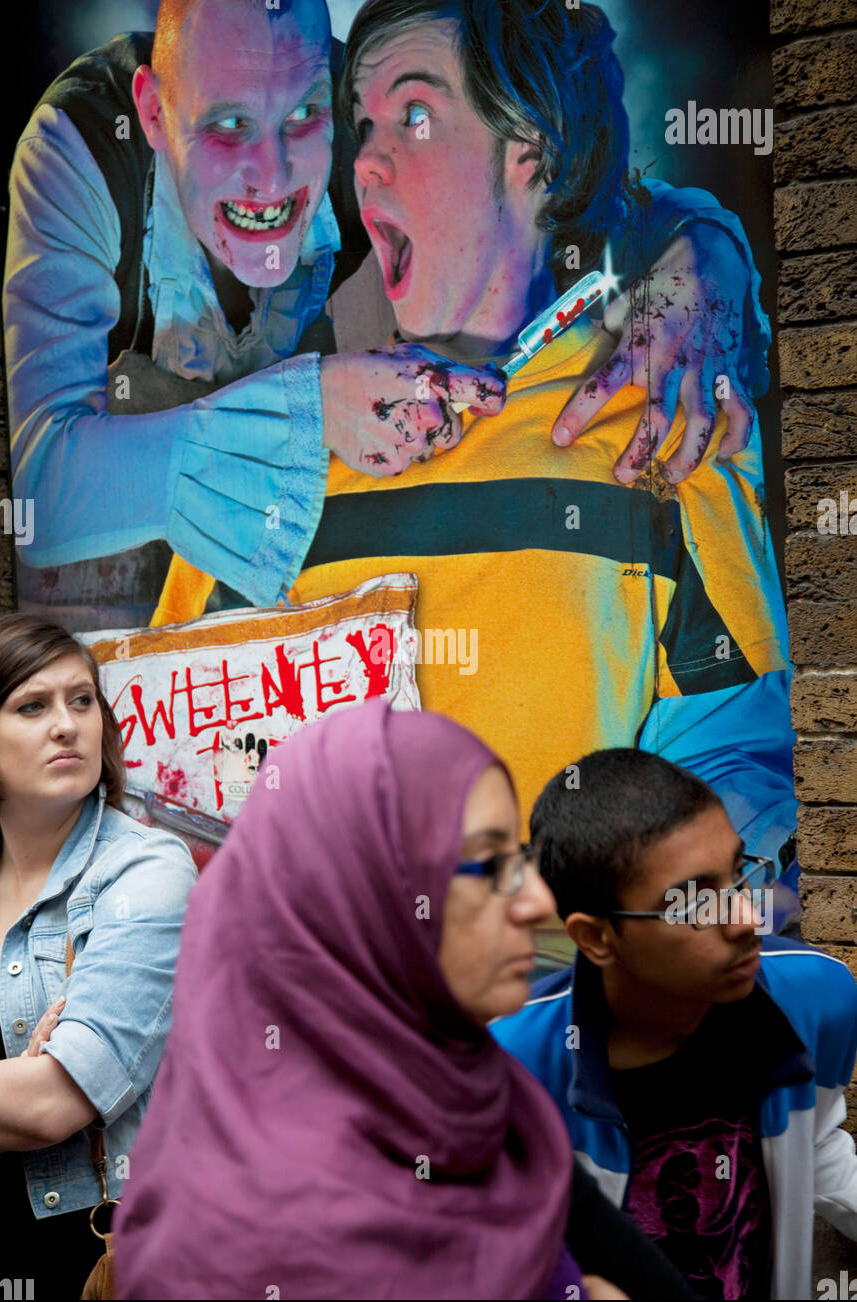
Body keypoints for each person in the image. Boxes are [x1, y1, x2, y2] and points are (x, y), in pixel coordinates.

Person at [6, 0, 769, 631]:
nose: (272, 176)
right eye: (227, 126)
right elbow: (45, 496)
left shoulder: (351, 115)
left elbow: (578, 191)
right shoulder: (81, 147)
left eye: (305, 116)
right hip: (105, 614)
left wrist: (704, 260)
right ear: (149, 108)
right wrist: (308, 409)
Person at [284, 0, 797, 884]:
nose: (365, 159)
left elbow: (734, 770)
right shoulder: (279, 423)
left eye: (413, 116)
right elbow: (173, 740)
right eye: (361, 124)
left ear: (531, 150)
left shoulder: (663, 406)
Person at [113, 700, 698, 1300]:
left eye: (519, 858)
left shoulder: (483, 1106)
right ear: (362, 901)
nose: (535, 904)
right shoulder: (242, 1248)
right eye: (490, 865)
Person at [490, 748, 857, 1301]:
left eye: (739, 874)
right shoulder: (508, 1068)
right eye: (691, 903)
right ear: (595, 937)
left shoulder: (814, 999)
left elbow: (817, 1141)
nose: (745, 917)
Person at [0, 613, 196, 1299]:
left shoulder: (145, 870)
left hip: (88, 1267)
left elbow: (54, 1102)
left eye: (82, 700)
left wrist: (30, 1086)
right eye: (32, 705)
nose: (66, 724)